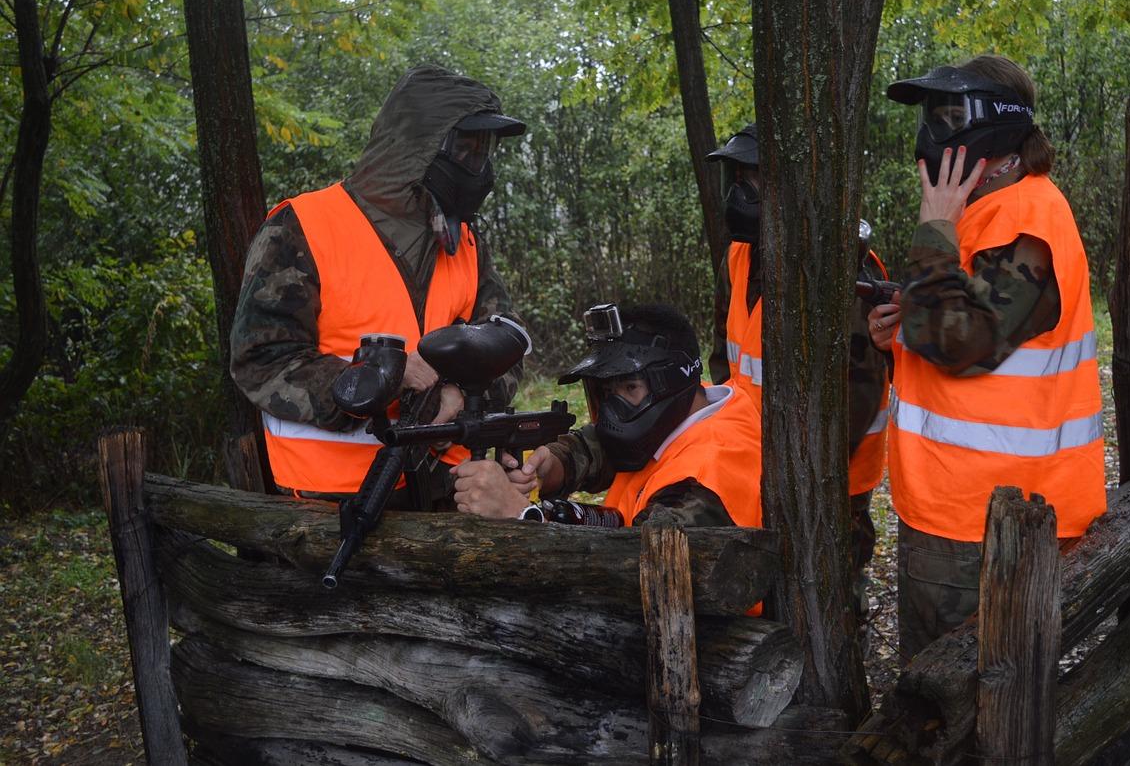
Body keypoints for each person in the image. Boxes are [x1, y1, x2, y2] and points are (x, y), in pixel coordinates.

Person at [871, 55, 1105, 660]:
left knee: (961, 706)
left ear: (994, 128)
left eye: (950, 116)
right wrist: (898, 333)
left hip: (991, 520)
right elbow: (958, 340)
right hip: (961, 511)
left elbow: (959, 341)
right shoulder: (992, 212)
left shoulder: (1029, 217)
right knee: (945, 694)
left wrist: (934, 231)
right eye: (931, 116)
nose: (932, 135)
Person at [230, 64, 527, 507]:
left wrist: (457, 393)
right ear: (421, 146)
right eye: (466, 149)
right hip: (331, 507)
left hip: (451, 495)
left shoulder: (464, 239)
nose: (479, 168)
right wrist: (380, 377)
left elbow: (507, 345)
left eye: (483, 151)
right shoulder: (302, 228)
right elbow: (259, 360)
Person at [706, 123, 890, 616]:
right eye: (738, 177)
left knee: (830, 603)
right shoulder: (740, 255)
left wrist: (796, 467)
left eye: (755, 178)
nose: (742, 191)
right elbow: (726, 357)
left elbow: (855, 399)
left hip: (831, 479)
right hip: (755, 464)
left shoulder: (842, 271)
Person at [450, 303, 762, 531]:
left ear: (673, 381)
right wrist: (548, 466)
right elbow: (595, 447)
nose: (614, 408)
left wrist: (522, 516)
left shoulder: (711, 472)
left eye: (629, 387)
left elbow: (637, 567)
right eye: (605, 392)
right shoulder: (692, 407)